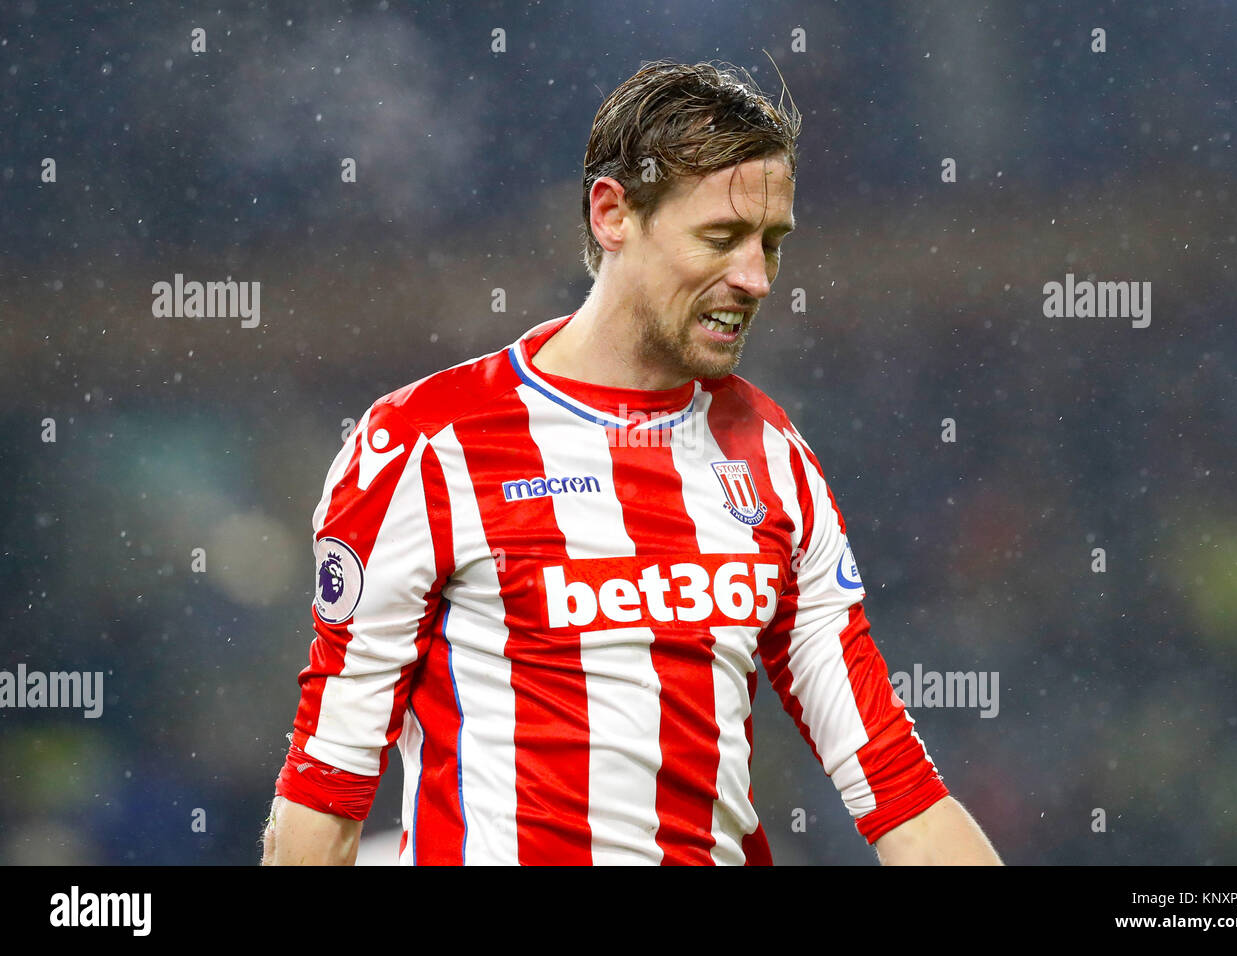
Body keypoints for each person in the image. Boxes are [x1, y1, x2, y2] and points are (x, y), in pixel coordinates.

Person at [261, 59, 1002, 866]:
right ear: (613, 213)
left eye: (771, 243)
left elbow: (897, 786)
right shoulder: (426, 446)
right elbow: (325, 790)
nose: (754, 277)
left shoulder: (773, 460)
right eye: (720, 238)